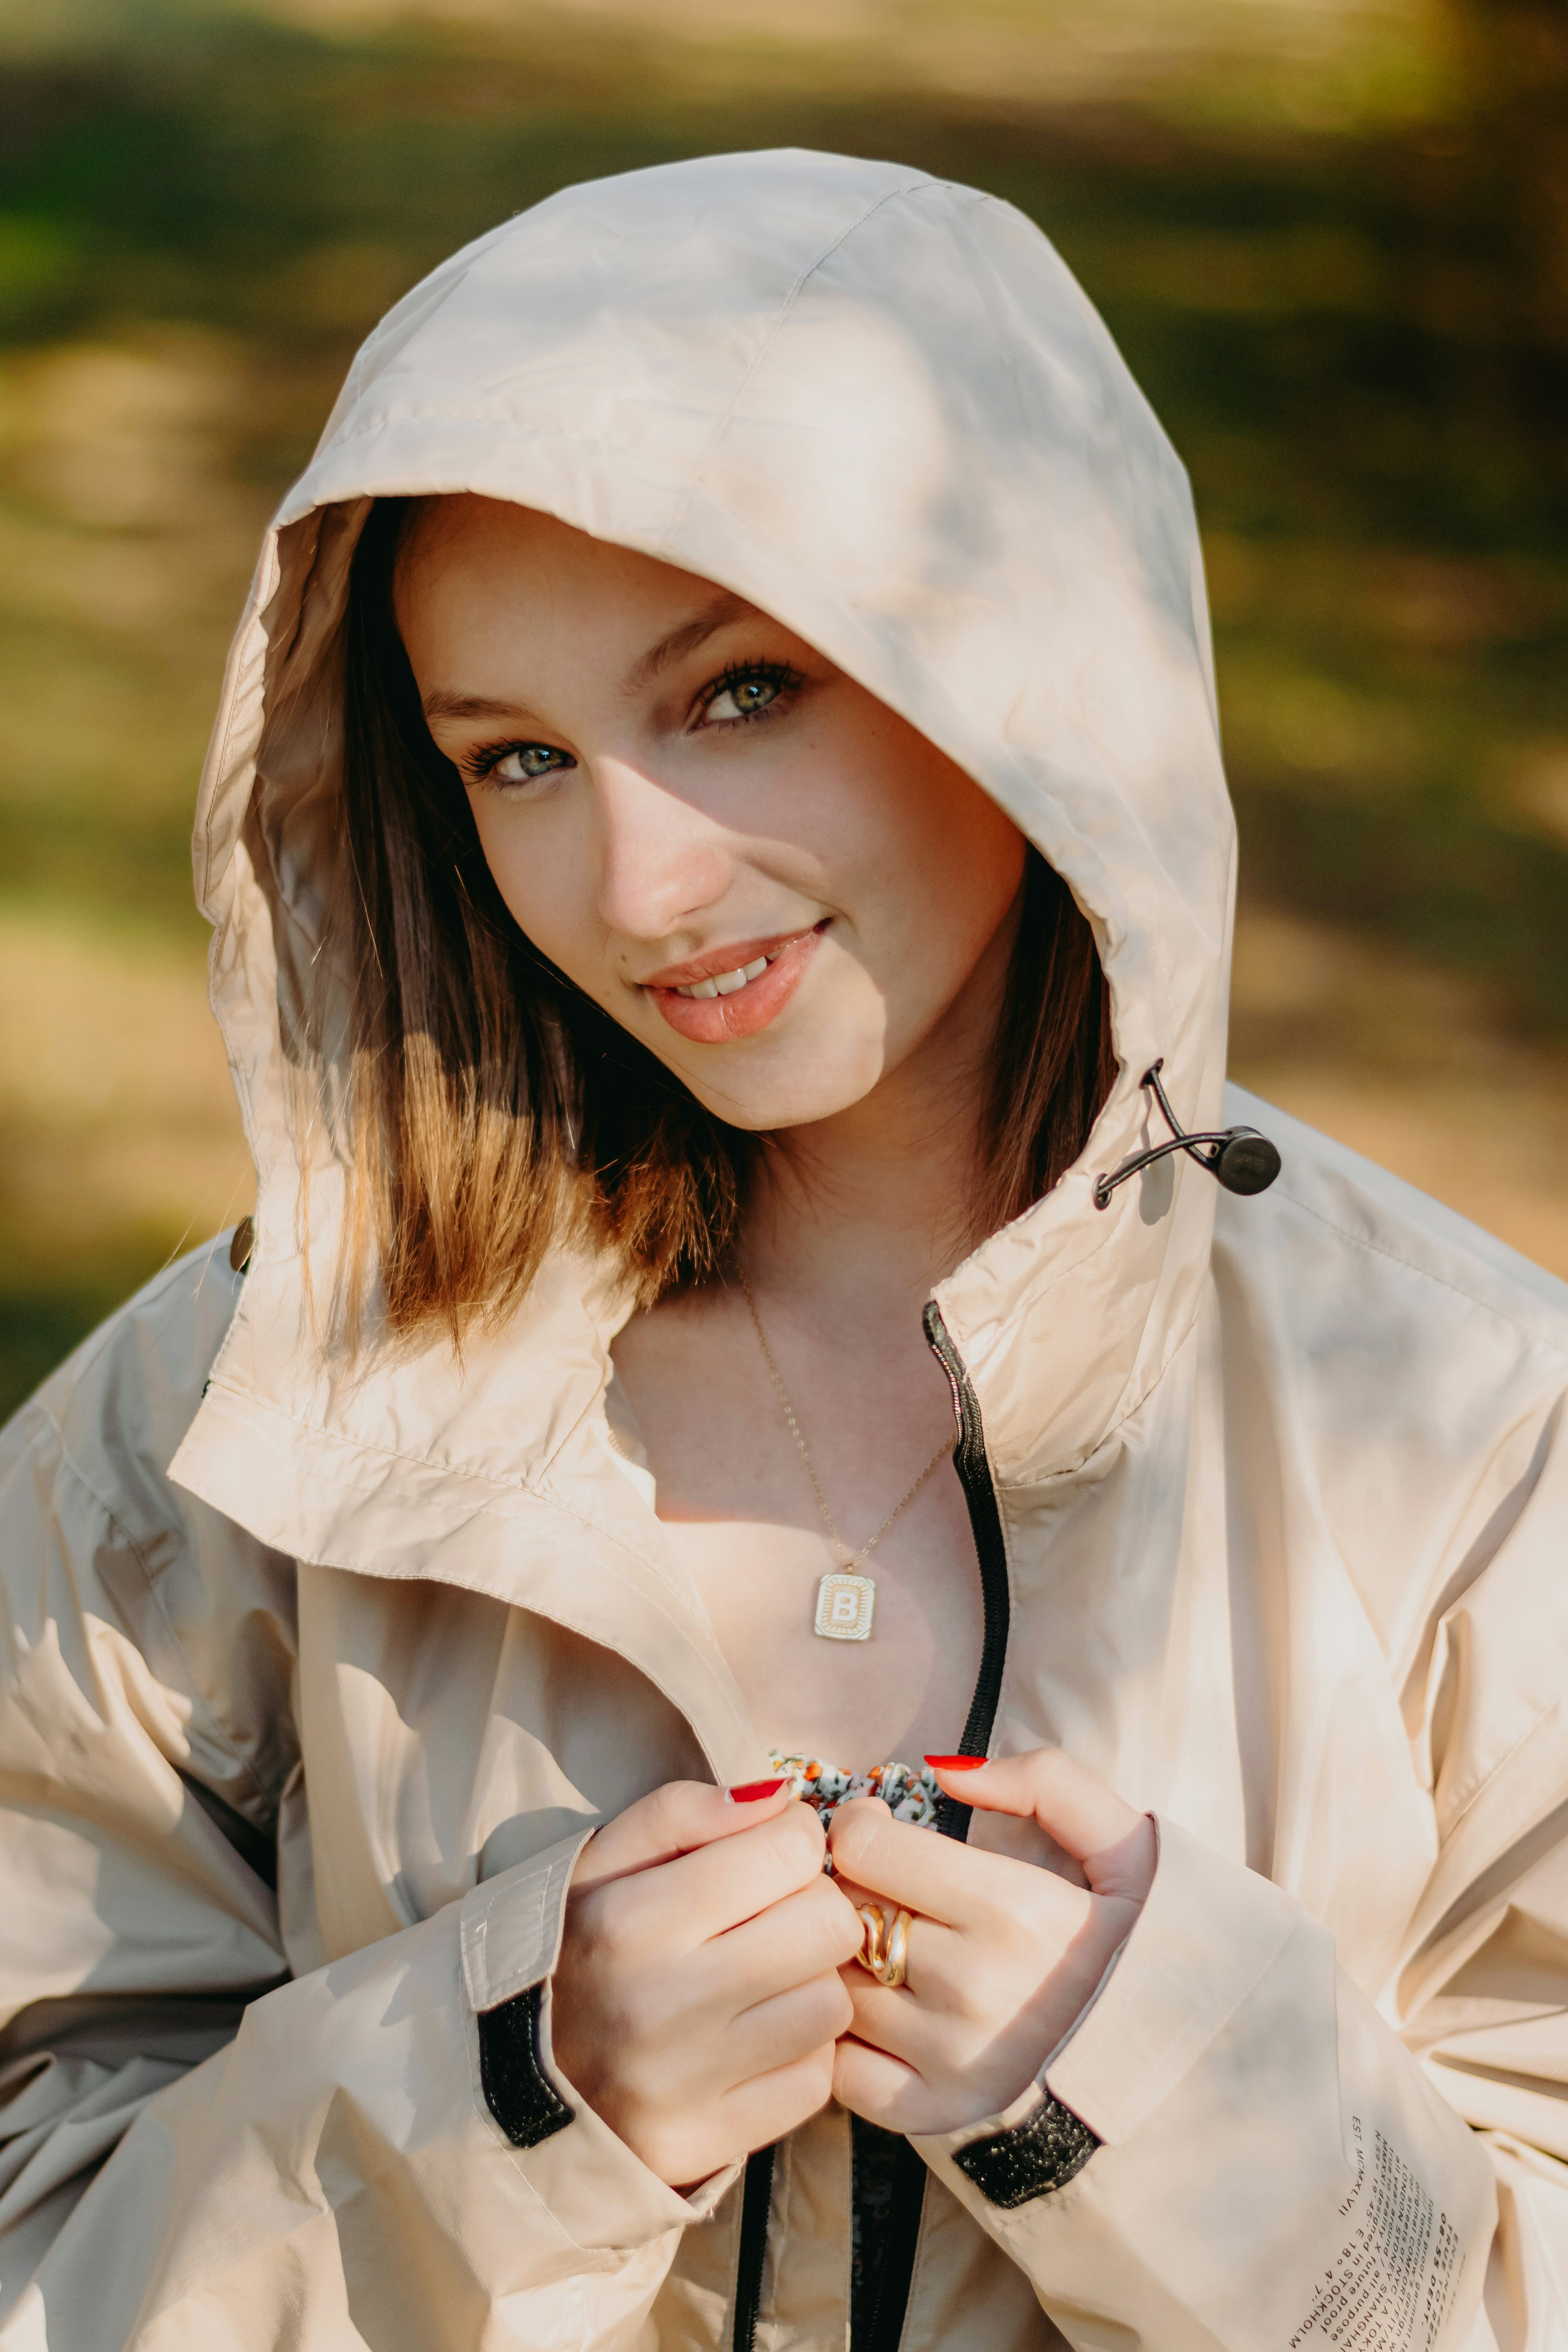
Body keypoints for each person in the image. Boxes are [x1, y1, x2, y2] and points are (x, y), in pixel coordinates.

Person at [1, 147, 1564, 2352]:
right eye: (518, 758)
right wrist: (498, 2102)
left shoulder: (1491, 1445)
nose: (639, 887)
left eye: (741, 695)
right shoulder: (230, 1416)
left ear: (1038, 656)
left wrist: (1181, 2108)